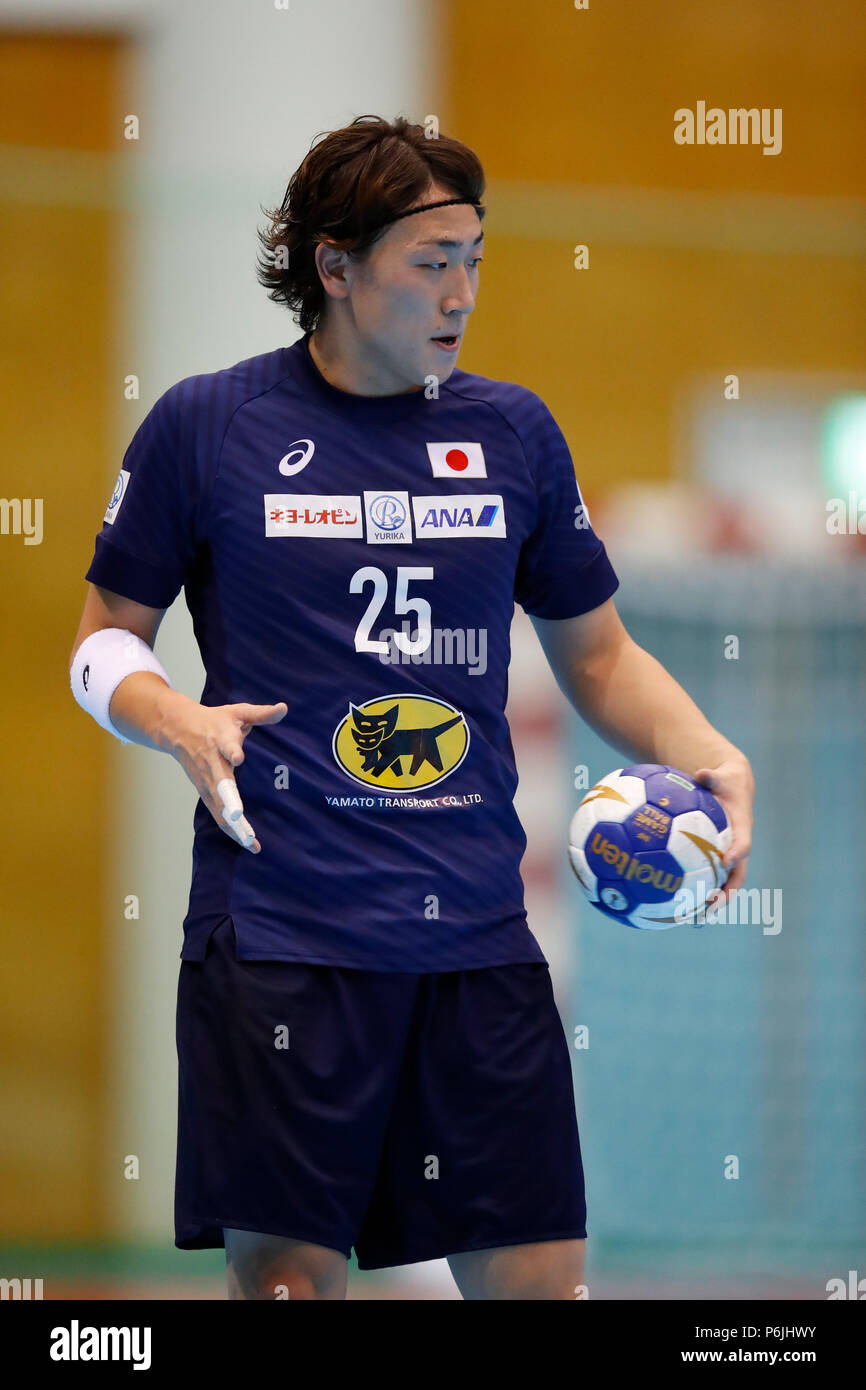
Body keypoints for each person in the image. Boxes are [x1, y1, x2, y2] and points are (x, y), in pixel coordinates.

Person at [68, 114, 755, 1300]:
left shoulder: (511, 435)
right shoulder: (207, 426)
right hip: (283, 943)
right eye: (429, 262)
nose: (461, 293)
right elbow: (99, 646)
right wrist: (176, 716)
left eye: (474, 259)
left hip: (476, 946)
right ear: (333, 265)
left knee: (541, 1289)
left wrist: (708, 751)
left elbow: (596, 656)